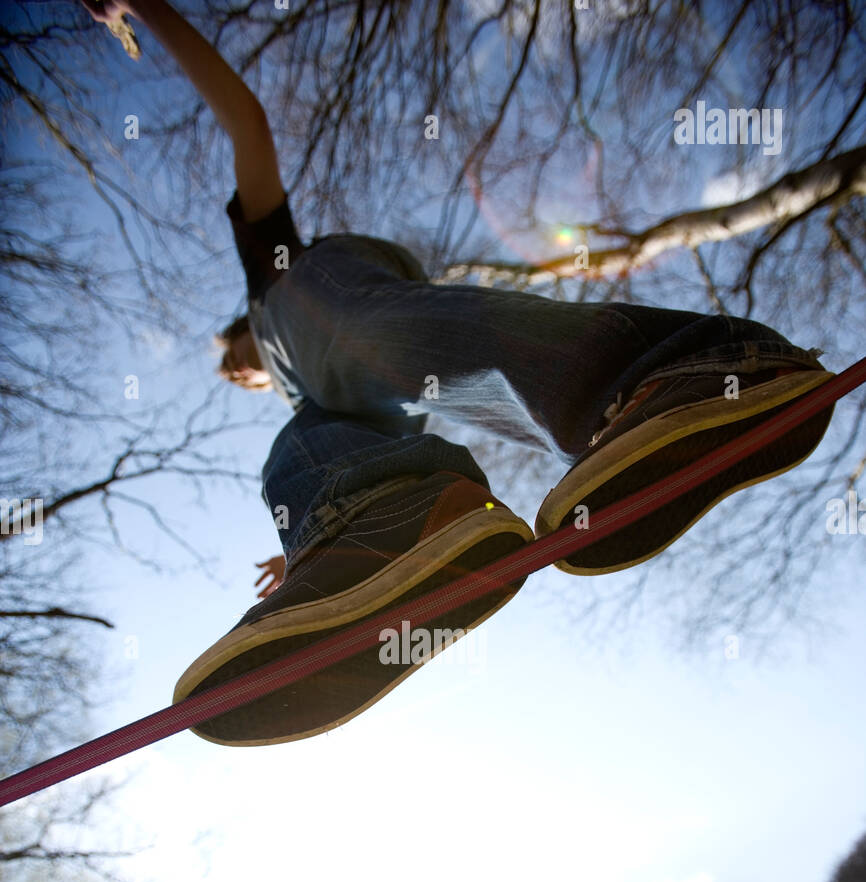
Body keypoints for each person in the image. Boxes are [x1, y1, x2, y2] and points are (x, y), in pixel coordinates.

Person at [81, 0, 836, 748]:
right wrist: (320, 540)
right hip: (366, 397)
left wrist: (145, 8)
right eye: (244, 377)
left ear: (242, 328)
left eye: (240, 360)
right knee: (301, 445)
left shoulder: (267, 268)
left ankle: (692, 364)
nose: (247, 373)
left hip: (334, 296)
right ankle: (389, 522)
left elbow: (244, 119)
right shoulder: (299, 391)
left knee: (373, 344)